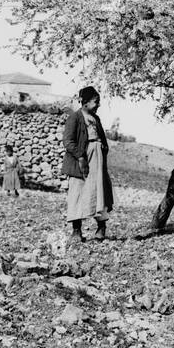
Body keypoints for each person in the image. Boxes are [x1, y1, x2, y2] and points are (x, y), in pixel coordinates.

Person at [62, 86, 114, 243]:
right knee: (77, 192)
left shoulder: (96, 119)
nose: (98, 105)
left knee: (98, 192)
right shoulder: (75, 118)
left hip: (97, 161)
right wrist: (81, 157)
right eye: (96, 101)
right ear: (85, 102)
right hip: (81, 160)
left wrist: (102, 149)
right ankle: (76, 232)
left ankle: (101, 228)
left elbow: (103, 140)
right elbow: (68, 141)